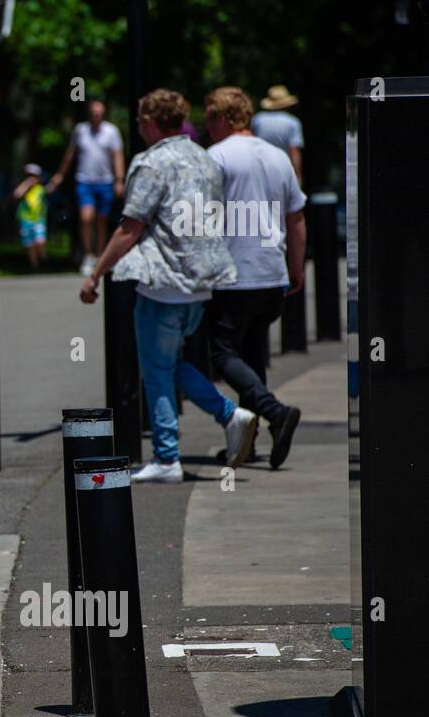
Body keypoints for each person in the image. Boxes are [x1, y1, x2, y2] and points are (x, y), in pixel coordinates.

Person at [78, 89, 257, 483]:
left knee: (156, 371)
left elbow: (131, 227)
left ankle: (167, 457)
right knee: (170, 364)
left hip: (165, 281)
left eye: (141, 120)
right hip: (201, 282)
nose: (139, 127)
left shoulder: (152, 162)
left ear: (152, 123)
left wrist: (96, 273)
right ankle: (230, 415)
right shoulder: (204, 158)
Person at [204, 86, 307, 470]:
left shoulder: (216, 157)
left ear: (221, 117)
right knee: (251, 354)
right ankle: (249, 441)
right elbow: (296, 217)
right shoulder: (278, 157)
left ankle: (275, 412)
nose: (206, 126)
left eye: (209, 117)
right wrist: (295, 268)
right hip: (271, 275)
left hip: (235, 274)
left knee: (222, 354)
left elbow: (202, 217)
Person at [47, 98, 126, 276]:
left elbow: (117, 156)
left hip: (105, 181)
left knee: (101, 221)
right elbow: (70, 154)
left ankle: (100, 255)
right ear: (89, 114)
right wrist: (60, 175)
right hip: (85, 180)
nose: (96, 115)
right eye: (93, 112)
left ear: (103, 113)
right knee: (86, 217)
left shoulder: (111, 131)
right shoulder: (80, 130)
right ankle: (88, 254)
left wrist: (119, 179)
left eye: (99, 112)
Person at [250, 85, 304, 185]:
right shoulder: (293, 122)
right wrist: (298, 176)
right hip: (283, 169)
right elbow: (294, 151)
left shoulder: (257, 120)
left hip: (260, 169)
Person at [11, 163, 48, 270]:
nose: (31, 179)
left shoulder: (40, 189)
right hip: (26, 219)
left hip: (39, 219)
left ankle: (44, 261)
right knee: (29, 244)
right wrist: (26, 184)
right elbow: (16, 194)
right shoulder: (24, 189)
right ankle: (34, 266)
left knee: (40, 241)